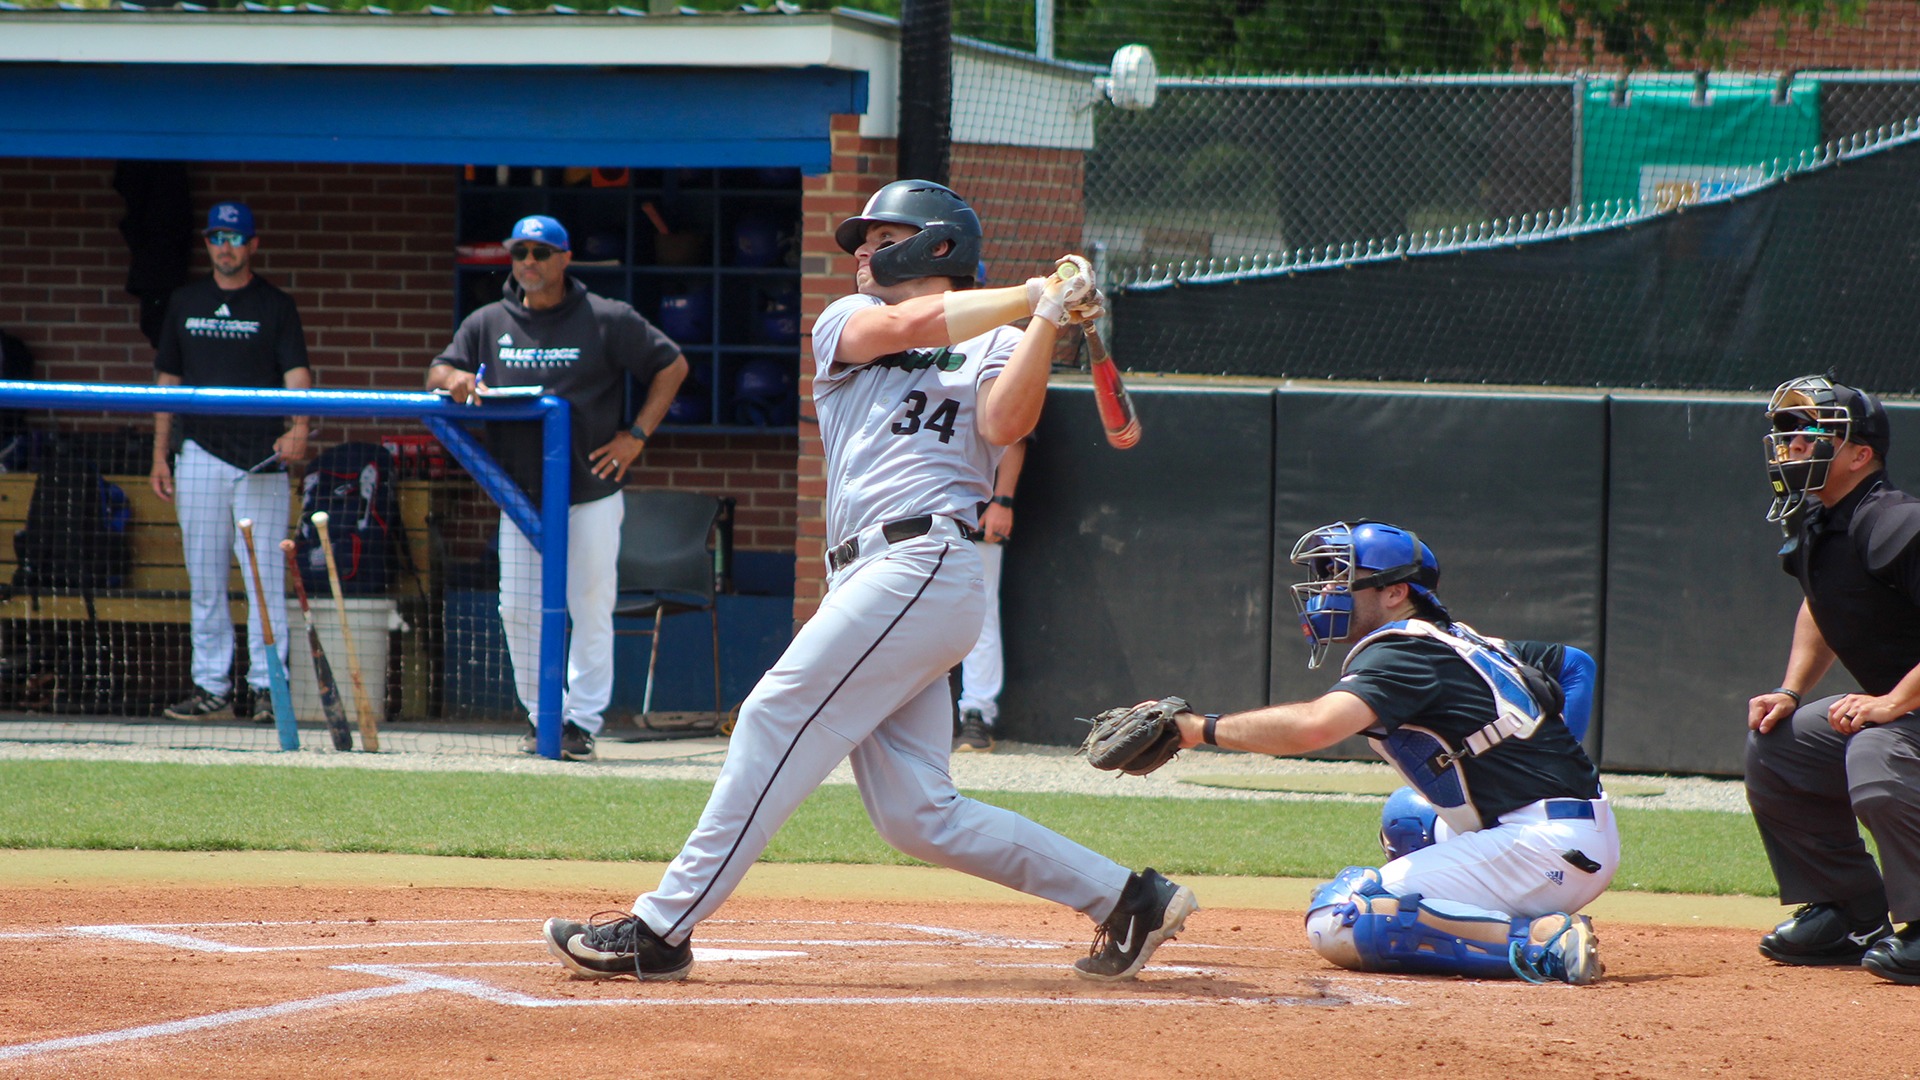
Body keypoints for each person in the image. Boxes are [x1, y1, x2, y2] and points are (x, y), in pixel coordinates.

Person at [542, 179, 1196, 984]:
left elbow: (1004, 425)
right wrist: (1037, 292)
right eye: (861, 239)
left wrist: (1048, 320)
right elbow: (907, 325)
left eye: (882, 238)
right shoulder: (845, 319)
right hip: (875, 576)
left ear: (938, 247)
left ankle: (662, 926)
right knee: (918, 815)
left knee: (775, 713)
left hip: (923, 561)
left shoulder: (998, 339)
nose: (860, 251)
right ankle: (1127, 899)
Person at [1106, 520, 1614, 984]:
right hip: (1559, 831)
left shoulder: (1403, 651)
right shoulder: (1455, 638)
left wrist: (1195, 730)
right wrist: (1561, 769)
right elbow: (1576, 665)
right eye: (1325, 575)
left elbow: (1313, 727)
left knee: (1339, 917)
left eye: (1340, 576)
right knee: (1406, 818)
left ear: (1395, 592)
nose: (1326, 589)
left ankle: (1538, 944)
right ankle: (1511, 908)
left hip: (1547, 848)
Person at [427, 215, 688, 763]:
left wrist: (635, 436)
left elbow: (672, 364)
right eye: (519, 252)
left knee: (589, 606)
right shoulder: (488, 320)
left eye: (540, 253)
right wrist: (453, 379)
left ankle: (580, 723)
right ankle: (543, 715)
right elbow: (441, 369)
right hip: (517, 497)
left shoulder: (606, 318)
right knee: (516, 608)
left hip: (590, 489)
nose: (528, 262)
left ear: (565, 258)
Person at [1745, 374, 1920, 985]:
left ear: (1860, 454)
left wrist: (1893, 702)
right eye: (1786, 430)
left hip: (1909, 711)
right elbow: (1822, 605)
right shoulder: (1823, 522)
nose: (1792, 441)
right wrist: (1792, 690)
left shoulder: (1895, 522)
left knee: (1878, 752)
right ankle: (1850, 911)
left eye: (1812, 430)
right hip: (1910, 710)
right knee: (1781, 742)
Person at [152, 201, 312, 724]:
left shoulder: (276, 305)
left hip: (260, 458)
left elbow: (297, 377)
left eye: (235, 237)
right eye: (217, 237)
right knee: (205, 576)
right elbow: (166, 386)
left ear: (253, 245)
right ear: (207, 244)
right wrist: (161, 455)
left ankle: (270, 689)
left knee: (264, 575)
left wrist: (299, 428)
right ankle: (211, 689)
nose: (225, 246)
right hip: (198, 452)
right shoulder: (184, 301)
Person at [954, 435, 1028, 753]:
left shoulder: (985, 381)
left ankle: (977, 713)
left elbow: (1016, 434)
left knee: (979, 614)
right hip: (918, 510)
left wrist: (1003, 501)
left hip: (976, 509)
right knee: (909, 613)